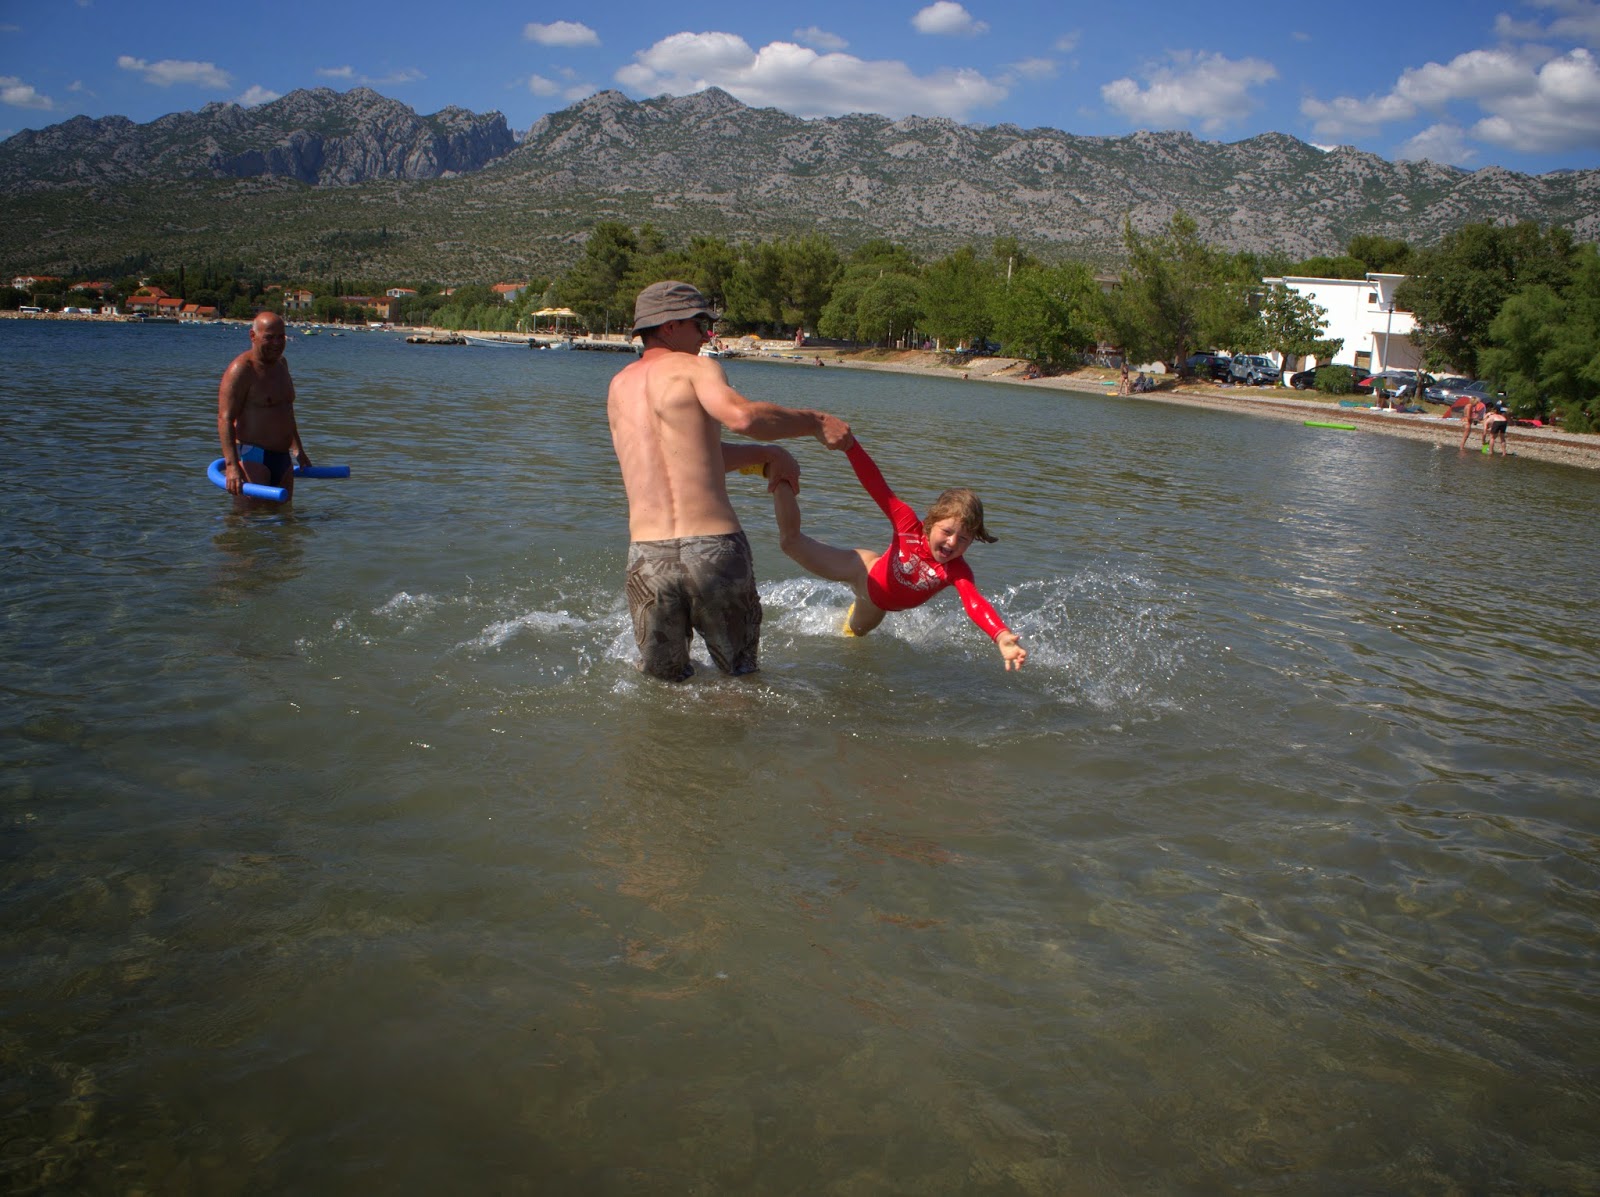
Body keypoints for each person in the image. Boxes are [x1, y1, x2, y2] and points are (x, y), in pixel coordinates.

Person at [608, 280, 852, 682]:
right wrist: (816, 422)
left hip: (648, 558)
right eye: (700, 323)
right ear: (669, 327)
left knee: (663, 691)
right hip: (714, 549)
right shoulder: (696, 368)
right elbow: (742, 418)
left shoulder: (618, 387)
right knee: (739, 683)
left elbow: (686, 460)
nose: (707, 335)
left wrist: (766, 456)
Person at [771, 435, 1028, 670]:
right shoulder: (907, 524)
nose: (952, 543)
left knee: (852, 637)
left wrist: (1002, 635)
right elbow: (876, 484)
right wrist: (851, 446)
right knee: (790, 544)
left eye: (963, 539)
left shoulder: (957, 571)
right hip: (861, 568)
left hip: (875, 603)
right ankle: (777, 472)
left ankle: (851, 613)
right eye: (947, 531)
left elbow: (974, 602)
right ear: (931, 521)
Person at [216, 311, 312, 498]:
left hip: (283, 458)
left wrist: (298, 448)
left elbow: (286, 409)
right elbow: (225, 419)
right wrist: (231, 466)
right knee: (248, 520)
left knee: (284, 520)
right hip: (254, 456)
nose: (276, 343)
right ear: (253, 336)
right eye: (269, 337)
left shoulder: (282, 364)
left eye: (280, 337)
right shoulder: (242, 369)